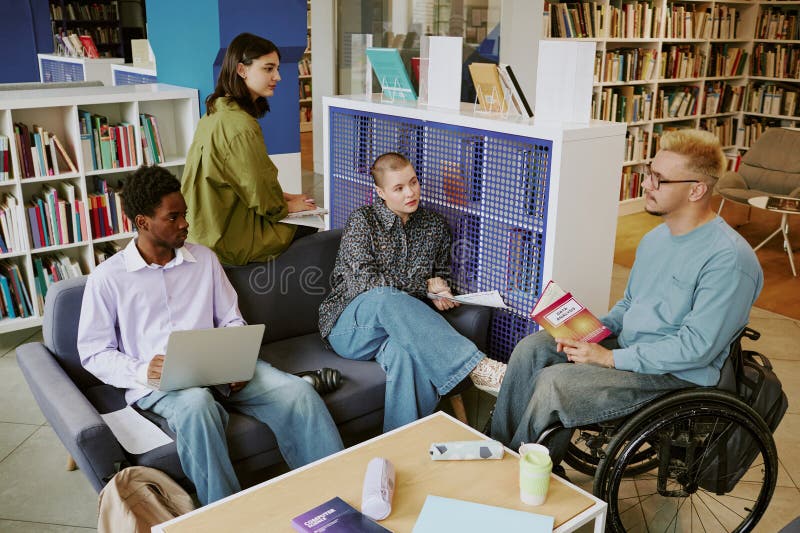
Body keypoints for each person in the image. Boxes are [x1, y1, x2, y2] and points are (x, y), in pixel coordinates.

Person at [491, 130, 764, 469]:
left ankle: (518, 473)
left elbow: (697, 349)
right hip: (632, 350)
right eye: (650, 173)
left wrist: (609, 359)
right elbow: (631, 304)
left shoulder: (729, 260)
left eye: (660, 180)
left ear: (696, 189)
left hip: (677, 375)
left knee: (556, 382)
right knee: (531, 349)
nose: (646, 185)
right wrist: (590, 330)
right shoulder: (655, 238)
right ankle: (499, 453)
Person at [77, 166, 343, 505]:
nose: (184, 224)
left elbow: (232, 319)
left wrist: (234, 359)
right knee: (198, 405)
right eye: (172, 218)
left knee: (298, 395)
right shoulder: (108, 278)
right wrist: (143, 371)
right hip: (163, 385)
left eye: (184, 214)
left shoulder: (203, 259)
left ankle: (335, 498)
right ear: (143, 222)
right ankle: (224, 517)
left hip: (223, 370)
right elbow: (94, 353)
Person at [318, 152, 508, 432]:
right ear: (381, 192)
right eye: (399, 188)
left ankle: (399, 445)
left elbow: (437, 276)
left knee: (405, 357)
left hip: (400, 327)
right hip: (351, 325)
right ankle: (477, 368)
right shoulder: (363, 221)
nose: (411, 192)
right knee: (385, 297)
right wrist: (423, 287)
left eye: (414, 182)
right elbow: (366, 281)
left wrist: (441, 289)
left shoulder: (434, 227)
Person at [181, 32, 316, 266]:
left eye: (277, 68)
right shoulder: (241, 126)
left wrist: (284, 198)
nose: (278, 76)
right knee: (310, 225)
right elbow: (262, 196)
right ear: (242, 70)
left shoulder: (214, 114)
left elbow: (237, 181)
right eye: (268, 69)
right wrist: (287, 207)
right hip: (227, 239)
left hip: (203, 229)